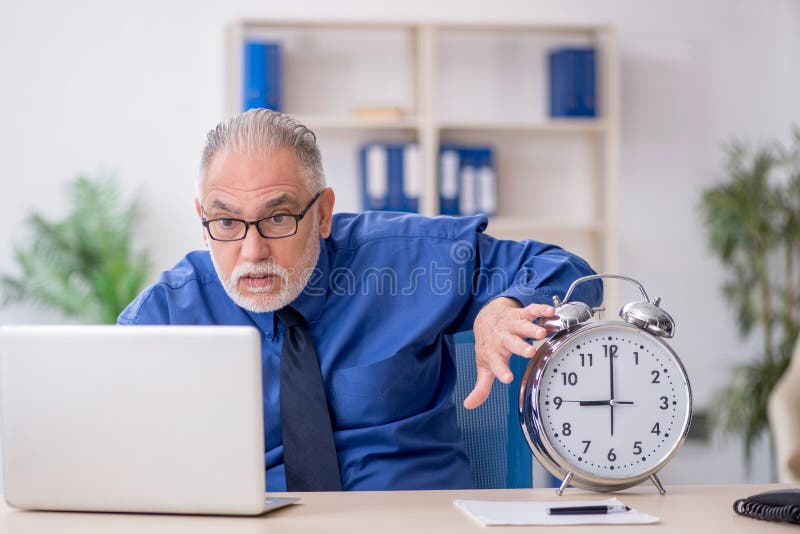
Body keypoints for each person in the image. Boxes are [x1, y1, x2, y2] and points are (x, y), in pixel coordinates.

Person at [118, 108, 603, 491]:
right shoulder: (165, 316)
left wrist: (508, 306)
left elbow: (575, 276)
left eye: (279, 218)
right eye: (226, 223)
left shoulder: (408, 262)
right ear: (203, 217)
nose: (252, 251)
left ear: (323, 213)